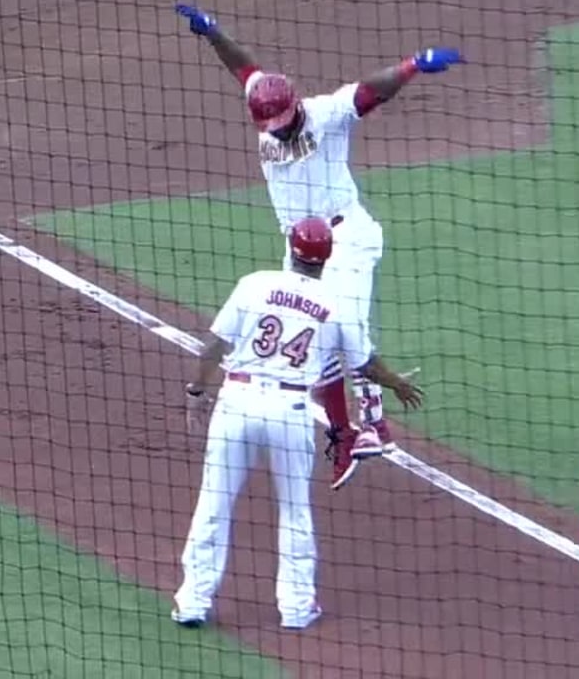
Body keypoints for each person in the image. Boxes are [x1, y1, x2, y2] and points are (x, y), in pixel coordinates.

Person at [174, 2, 460, 485]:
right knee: (311, 338)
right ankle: (344, 435)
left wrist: (412, 65)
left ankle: (375, 427)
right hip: (300, 248)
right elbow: (244, 69)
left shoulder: (324, 114)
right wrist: (212, 32)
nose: (278, 132)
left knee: (346, 327)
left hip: (345, 237)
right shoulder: (266, 107)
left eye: (283, 124)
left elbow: (370, 91)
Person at [172, 217, 424, 630]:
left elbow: (216, 344)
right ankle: (295, 608)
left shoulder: (254, 284)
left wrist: (196, 392)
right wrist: (396, 383)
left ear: (291, 248)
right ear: (327, 256)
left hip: (237, 402)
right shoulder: (336, 303)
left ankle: (192, 603)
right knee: (294, 510)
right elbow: (364, 363)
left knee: (214, 503)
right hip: (288, 410)